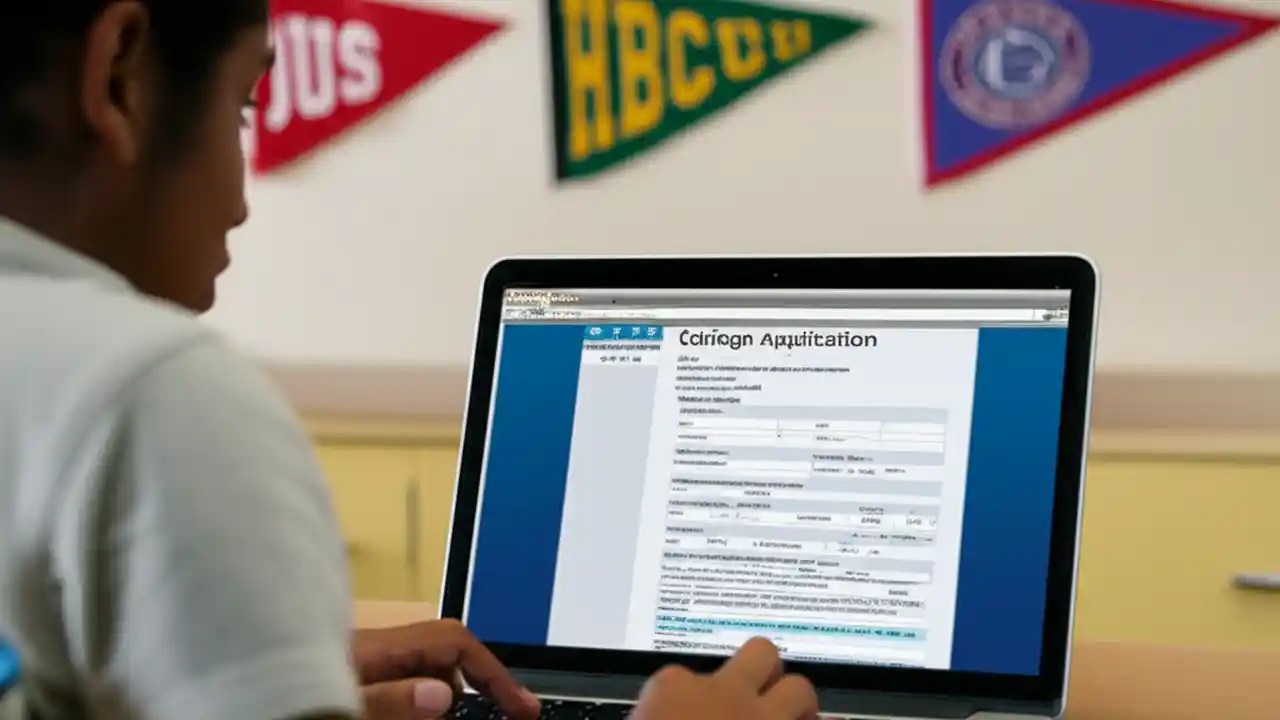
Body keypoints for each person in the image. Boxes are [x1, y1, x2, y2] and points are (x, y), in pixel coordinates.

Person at [0, 2, 821, 719]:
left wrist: (257, 674)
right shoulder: (153, 397)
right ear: (119, 75)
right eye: (243, 109)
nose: (244, 201)